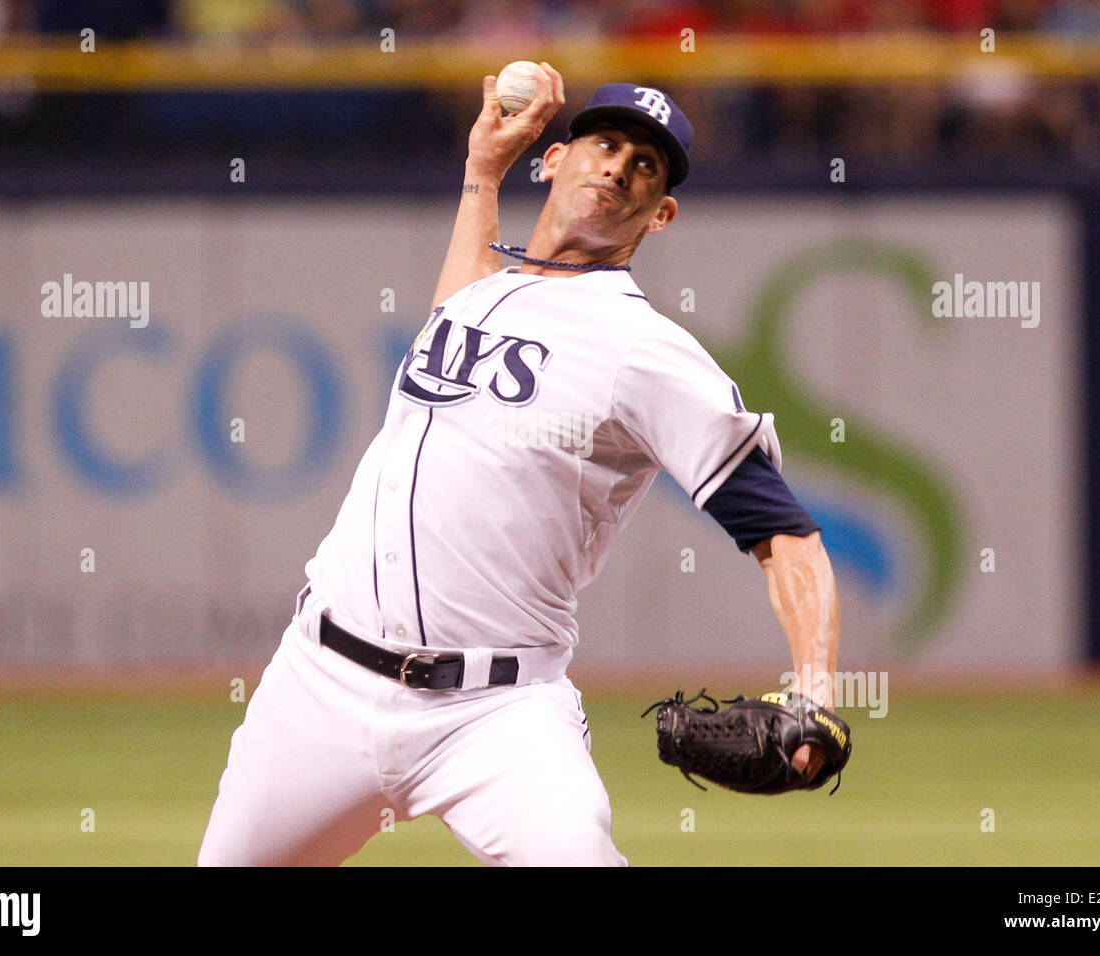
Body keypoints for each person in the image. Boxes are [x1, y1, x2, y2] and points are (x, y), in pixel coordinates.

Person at [198, 65, 841, 867]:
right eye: (604, 144)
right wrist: (480, 170)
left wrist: (815, 691)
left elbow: (785, 533)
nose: (618, 168)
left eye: (646, 166)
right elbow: (459, 308)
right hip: (321, 679)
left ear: (661, 213)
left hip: (498, 714)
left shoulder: (645, 353)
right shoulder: (478, 296)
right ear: (554, 160)